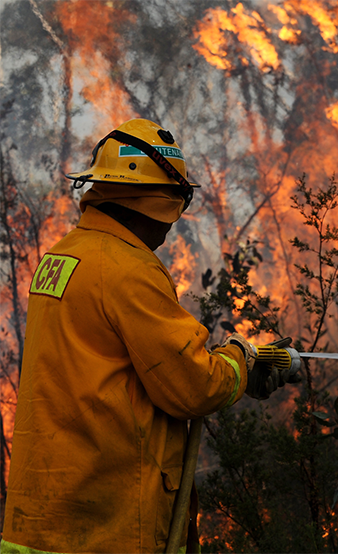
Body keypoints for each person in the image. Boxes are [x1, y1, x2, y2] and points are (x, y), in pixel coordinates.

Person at [1, 119, 271, 553]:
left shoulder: (62, 255)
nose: (167, 232)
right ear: (150, 203)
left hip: (42, 520)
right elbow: (194, 387)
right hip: (110, 522)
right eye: (169, 212)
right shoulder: (129, 269)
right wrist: (242, 358)